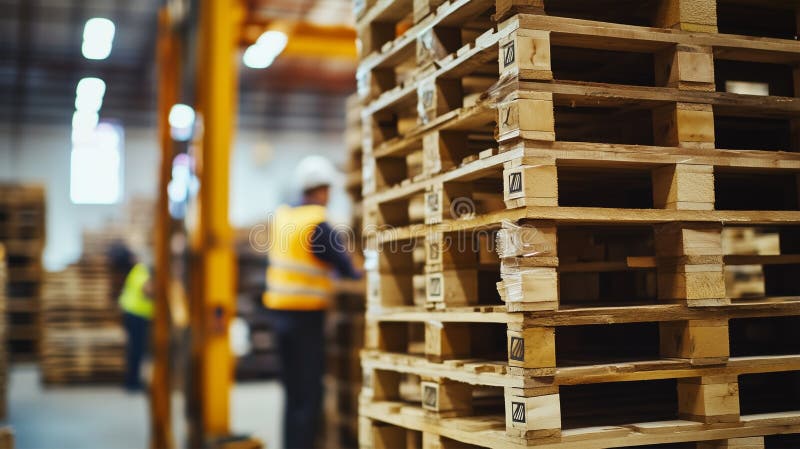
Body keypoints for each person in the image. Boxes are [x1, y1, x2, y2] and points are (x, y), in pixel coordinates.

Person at [264, 155, 360, 449]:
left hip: (279, 317)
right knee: (308, 395)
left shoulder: (282, 218)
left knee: (293, 393)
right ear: (322, 190)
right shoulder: (317, 223)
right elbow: (348, 270)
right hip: (305, 319)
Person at [118, 261, 154, 391]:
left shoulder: (141, 271)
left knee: (137, 349)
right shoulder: (141, 271)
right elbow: (147, 290)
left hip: (137, 314)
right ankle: (132, 382)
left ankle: (133, 381)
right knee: (136, 350)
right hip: (135, 314)